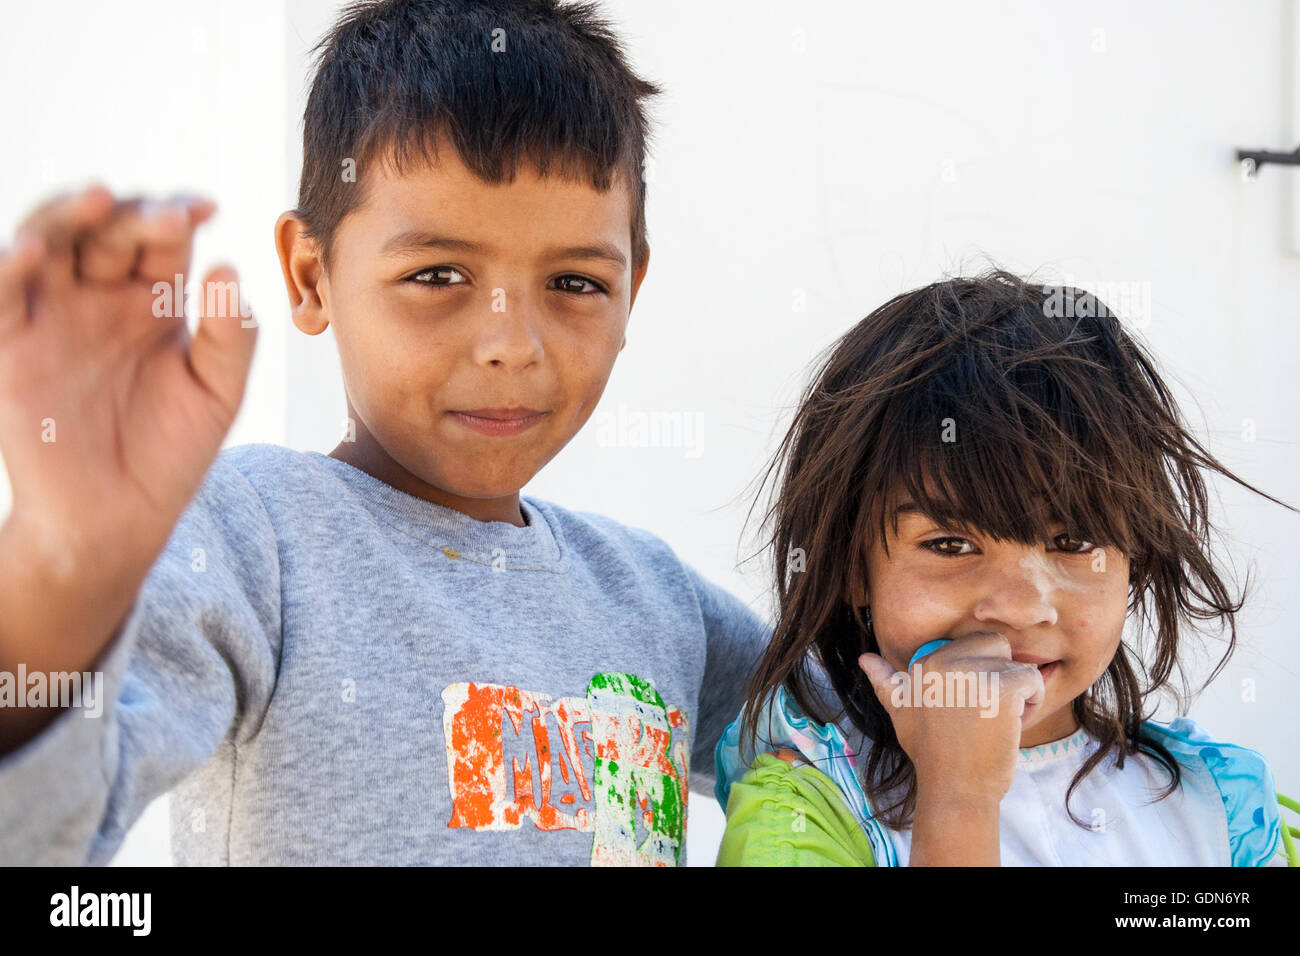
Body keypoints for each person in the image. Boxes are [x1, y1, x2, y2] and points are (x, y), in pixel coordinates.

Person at [0, 0, 769, 866]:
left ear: (635, 286)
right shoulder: (257, 540)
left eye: (575, 283)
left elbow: (878, 744)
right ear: (312, 275)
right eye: (438, 274)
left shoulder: (656, 600)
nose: (511, 346)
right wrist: (53, 572)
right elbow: (35, 833)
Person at [713, 270, 1298, 866]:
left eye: (1073, 540)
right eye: (949, 544)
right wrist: (959, 797)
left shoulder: (1225, 815)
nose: (1021, 606)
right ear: (852, 569)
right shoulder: (805, 810)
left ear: (1135, 560)